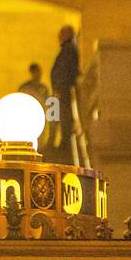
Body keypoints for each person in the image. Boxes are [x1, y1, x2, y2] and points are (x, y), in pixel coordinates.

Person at [49, 26, 81, 162]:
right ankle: (56, 141)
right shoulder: (68, 49)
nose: (59, 37)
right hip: (61, 89)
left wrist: (59, 87)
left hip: (63, 90)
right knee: (56, 115)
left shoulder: (69, 50)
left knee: (62, 116)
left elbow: (65, 71)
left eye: (61, 34)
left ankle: (62, 142)